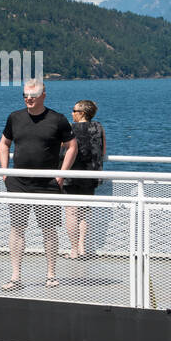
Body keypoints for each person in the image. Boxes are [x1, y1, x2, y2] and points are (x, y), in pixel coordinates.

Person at [0, 80, 77, 290]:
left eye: (33, 95)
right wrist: (5, 172)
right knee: (17, 229)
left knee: (49, 229)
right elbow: (4, 143)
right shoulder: (14, 118)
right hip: (18, 183)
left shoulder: (58, 120)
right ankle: (16, 276)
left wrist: (61, 175)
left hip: (47, 184)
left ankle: (51, 274)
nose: (28, 99)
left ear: (43, 95)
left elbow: (72, 146)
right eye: (25, 95)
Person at [65, 99, 106, 260]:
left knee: (71, 212)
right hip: (91, 174)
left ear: (81, 113)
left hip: (72, 173)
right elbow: (103, 151)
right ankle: (82, 247)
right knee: (84, 212)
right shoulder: (98, 127)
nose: (72, 113)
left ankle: (74, 250)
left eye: (74, 111)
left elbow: (64, 148)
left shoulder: (69, 128)